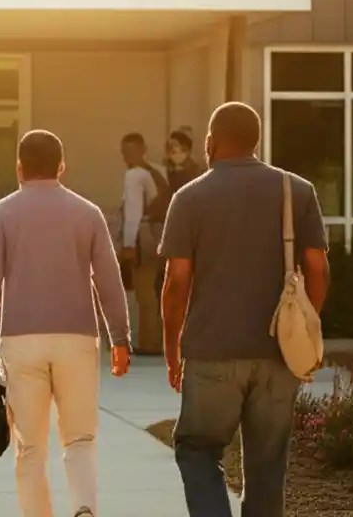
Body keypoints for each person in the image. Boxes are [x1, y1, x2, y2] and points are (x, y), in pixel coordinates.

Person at [160, 102, 330, 517]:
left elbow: (176, 282)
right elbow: (318, 266)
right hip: (278, 354)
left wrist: (171, 347)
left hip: (211, 350)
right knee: (267, 466)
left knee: (198, 449)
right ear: (257, 141)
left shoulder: (189, 197)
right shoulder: (298, 191)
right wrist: (306, 327)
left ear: (210, 142)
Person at [0, 130, 131, 517]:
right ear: (61, 166)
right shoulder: (88, 213)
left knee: (29, 447)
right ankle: (84, 508)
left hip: (20, 341)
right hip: (77, 338)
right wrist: (120, 339)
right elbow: (109, 279)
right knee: (79, 437)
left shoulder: (1, 214)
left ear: (19, 167)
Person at [120, 132, 167, 355]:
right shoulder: (157, 171)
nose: (127, 156)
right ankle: (157, 338)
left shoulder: (134, 176)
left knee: (144, 289)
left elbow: (133, 212)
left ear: (141, 150)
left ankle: (150, 342)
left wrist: (128, 244)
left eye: (129, 151)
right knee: (155, 288)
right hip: (160, 233)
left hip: (142, 234)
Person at [157, 129, 203, 299]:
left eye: (177, 148)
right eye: (170, 148)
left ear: (187, 150)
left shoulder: (195, 171)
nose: (173, 152)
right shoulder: (167, 170)